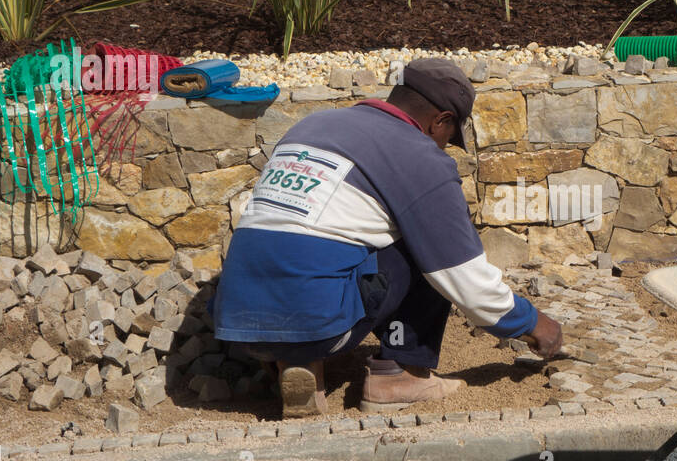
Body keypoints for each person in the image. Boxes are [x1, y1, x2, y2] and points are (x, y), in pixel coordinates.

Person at [211, 57, 563, 416]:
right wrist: (533, 324)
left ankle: (296, 364)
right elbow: (463, 277)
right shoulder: (419, 155)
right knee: (427, 244)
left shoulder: (315, 124)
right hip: (314, 323)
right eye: (448, 137)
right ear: (440, 121)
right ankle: (399, 372)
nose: (443, 147)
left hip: (236, 322)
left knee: (317, 253)